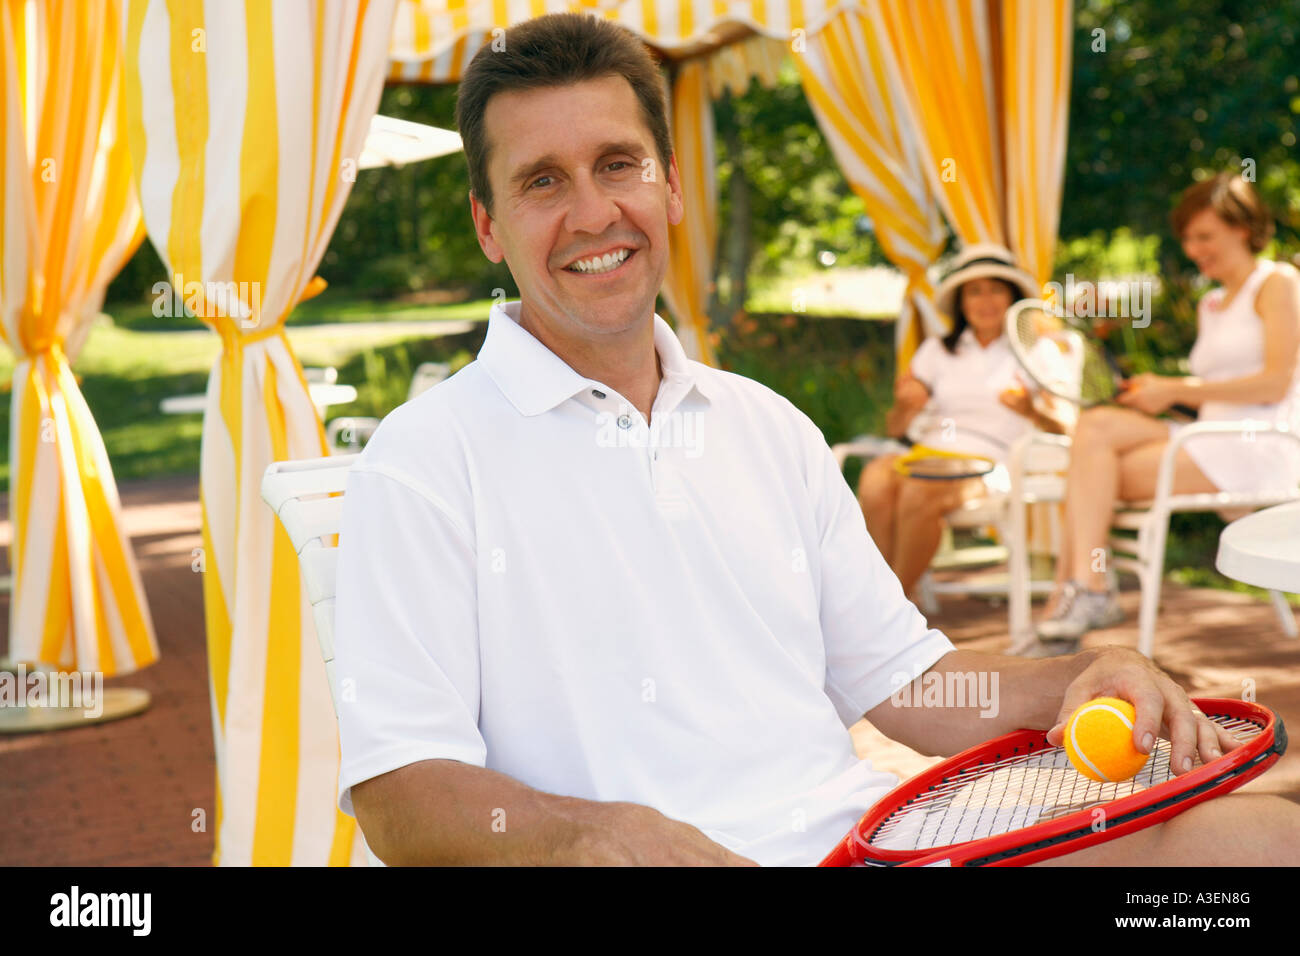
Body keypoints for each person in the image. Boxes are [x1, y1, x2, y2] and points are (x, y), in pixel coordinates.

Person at [330, 14, 1299, 866]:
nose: (594, 213)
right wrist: (587, 835)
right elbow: (398, 794)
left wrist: (1076, 675)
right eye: (543, 180)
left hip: (866, 843)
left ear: (670, 185)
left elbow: (911, 686)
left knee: (1262, 847)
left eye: (617, 163)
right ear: (487, 224)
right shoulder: (424, 459)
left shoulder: (764, 423)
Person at [1036, 173, 1300, 646]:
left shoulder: (1278, 283)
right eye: (1188, 238)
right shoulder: (1213, 303)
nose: (1195, 248)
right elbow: (1214, 390)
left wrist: (1174, 388)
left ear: (1242, 227)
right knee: (1095, 428)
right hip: (1209, 432)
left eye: (1205, 236)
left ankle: (1075, 592)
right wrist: (1158, 394)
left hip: (1260, 442)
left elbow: (1275, 383)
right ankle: (1082, 587)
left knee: (1092, 470)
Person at [857, 245, 1072, 600]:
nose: (985, 300)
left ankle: (893, 604)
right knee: (875, 476)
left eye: (996, 289)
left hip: (991, 461)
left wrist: (1030, 409)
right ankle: (878, 600)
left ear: (1014, 298)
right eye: (975, 291)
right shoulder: (936, 350)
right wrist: (907, 407)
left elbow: (1067, 427)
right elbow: (896, 430)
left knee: (919, 488)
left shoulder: (1039, 351)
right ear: (961, 302)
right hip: (927, 451)